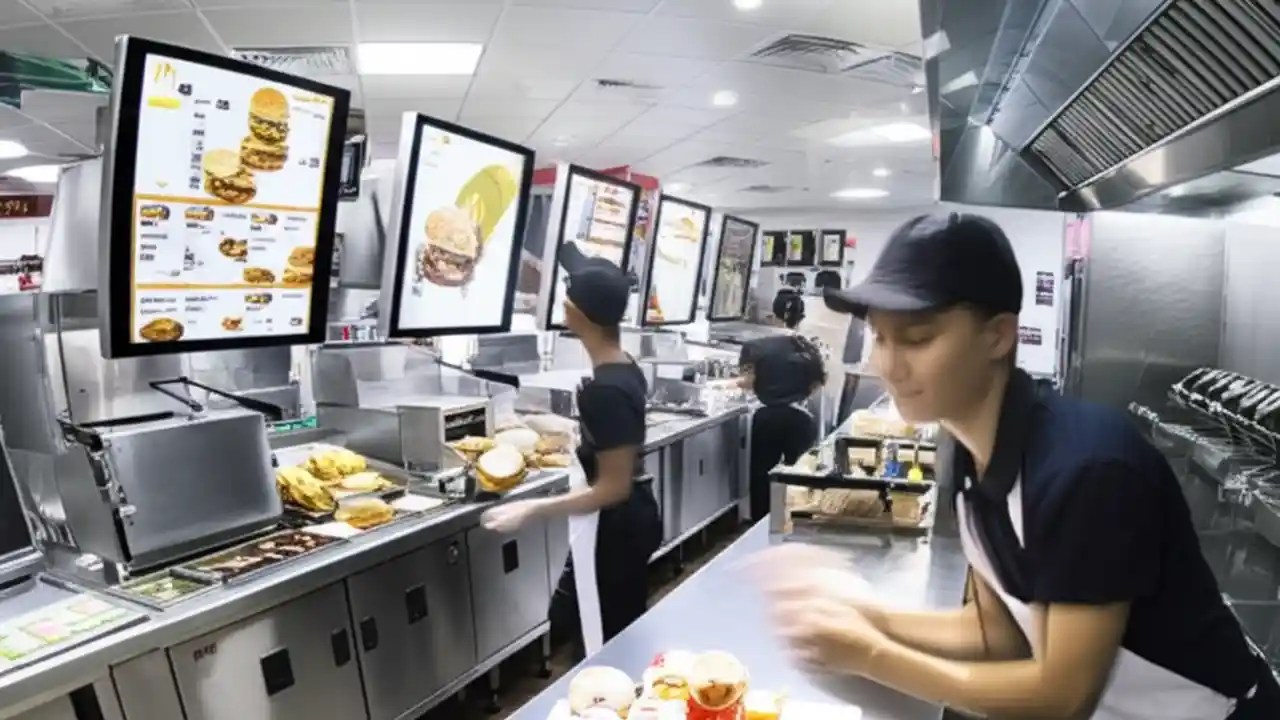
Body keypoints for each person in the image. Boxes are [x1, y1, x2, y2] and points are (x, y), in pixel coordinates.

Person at [750, 213, 1280, 719]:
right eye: (881, 338)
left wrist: (869, 653)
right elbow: (995, 634)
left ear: (998, 336)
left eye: (917, 338)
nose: (888, 365)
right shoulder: (970, 452)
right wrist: (861, 616)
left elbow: (1060, 696)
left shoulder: (1086, 471)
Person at [482, 241, 661, 657]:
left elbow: (612, 488)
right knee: (598, 622)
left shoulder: (606, 390)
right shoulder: (621, 365)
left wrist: (531, 510)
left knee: (607, 640)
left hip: (618, 528)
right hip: (634, 516)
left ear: (575, 314)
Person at [739, 330, 826, 522]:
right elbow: (816, 385)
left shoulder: (759, 355)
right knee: (800, 473)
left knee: (762, 474)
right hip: (799, 419)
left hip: (767, 418)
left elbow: (747, 382)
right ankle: (799, 516)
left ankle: (762, 522)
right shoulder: (802, 355)